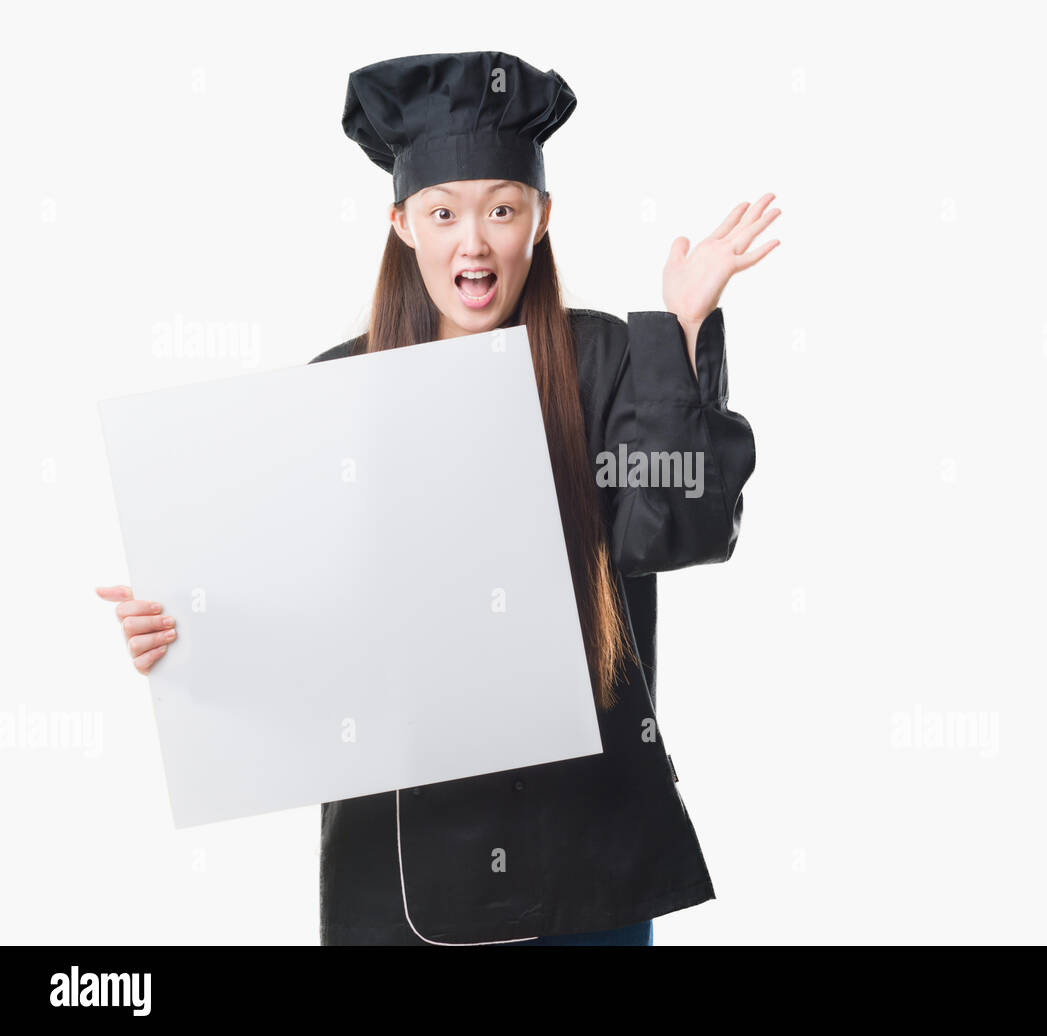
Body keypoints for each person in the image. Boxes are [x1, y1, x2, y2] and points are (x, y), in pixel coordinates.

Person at [96, 51, 775, 946]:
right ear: (402, 224)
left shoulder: (605, 359)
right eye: (443, 212)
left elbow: (680, 525)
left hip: (589, 850)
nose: (475, 240)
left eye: (502, 208)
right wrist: (186, 637)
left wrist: (678, 329)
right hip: (404, 854)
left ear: (540, 219)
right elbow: (302, 622)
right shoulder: (334, 391)